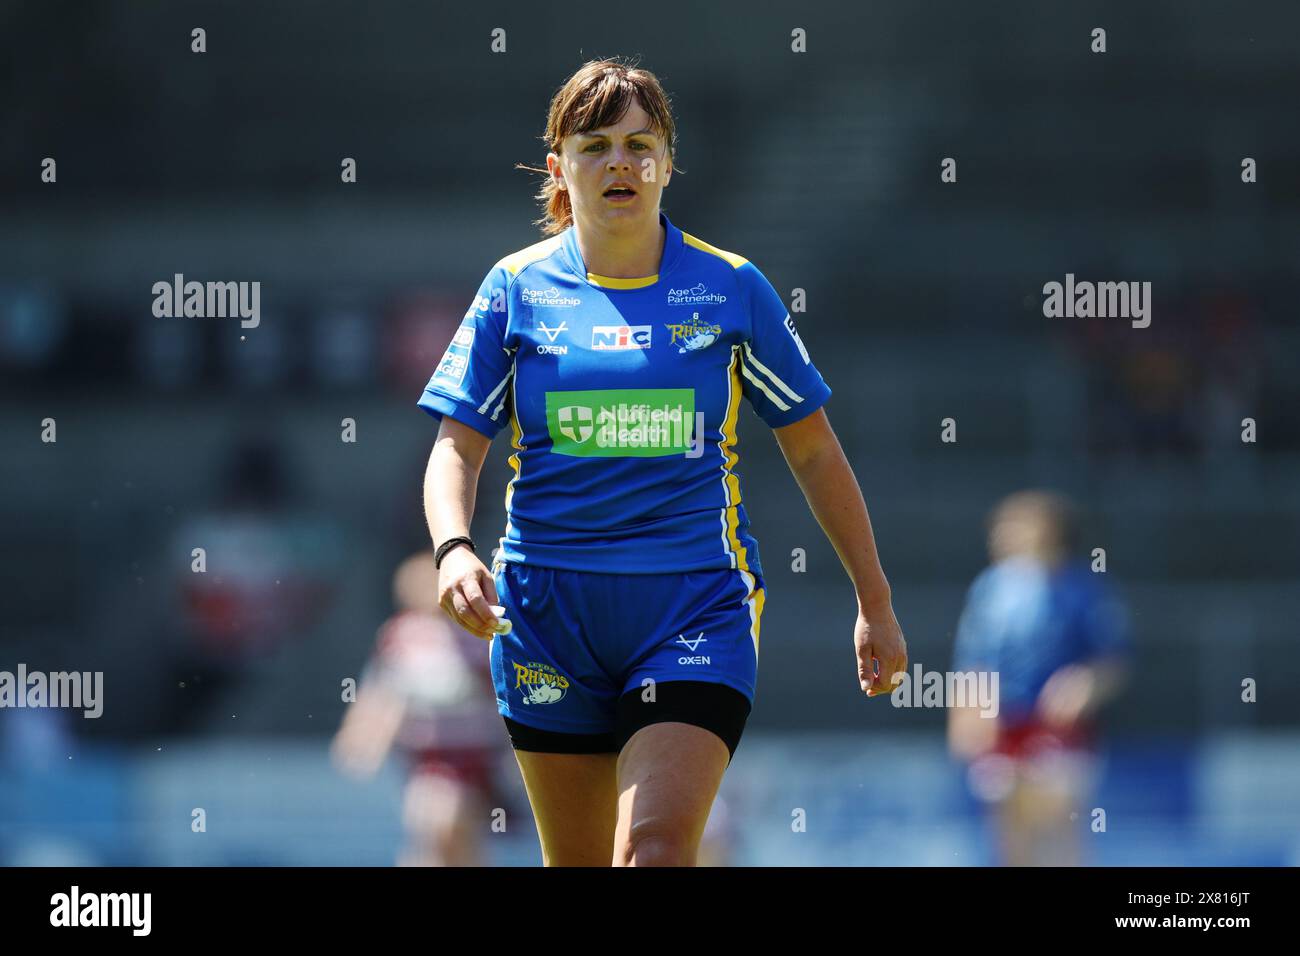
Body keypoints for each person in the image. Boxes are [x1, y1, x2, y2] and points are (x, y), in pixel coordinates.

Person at [419, 57, 906, 867]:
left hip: (692, 609)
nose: (620, 163)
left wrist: (875, 601)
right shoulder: (513, 290)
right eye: (596, 144)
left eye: (641, 144)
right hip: (545, 615)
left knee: (653, 849)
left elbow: (815, 449)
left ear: (669, 164)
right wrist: (453, 548)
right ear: (559, 168)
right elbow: (456, 446)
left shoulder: (732, 290)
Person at [946, 490, 1131, 866]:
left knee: (1058, 821)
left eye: (1016, 525)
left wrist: (1087, 684)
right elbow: (972, 659)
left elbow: (1113, 659)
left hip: (1057, 726)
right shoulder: (990, 589)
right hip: (1002, 725)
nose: (1002, 534)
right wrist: (964, 714)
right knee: (1009, 829)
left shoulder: (1083, 588)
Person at [332, 551, 503, 866]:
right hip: (427, 755)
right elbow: (382, 690)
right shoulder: (400, 635)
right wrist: (361, 736)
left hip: (475, 753)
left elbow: (498, 688)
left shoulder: (478, 630)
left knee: (459, 832)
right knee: (434, 824)